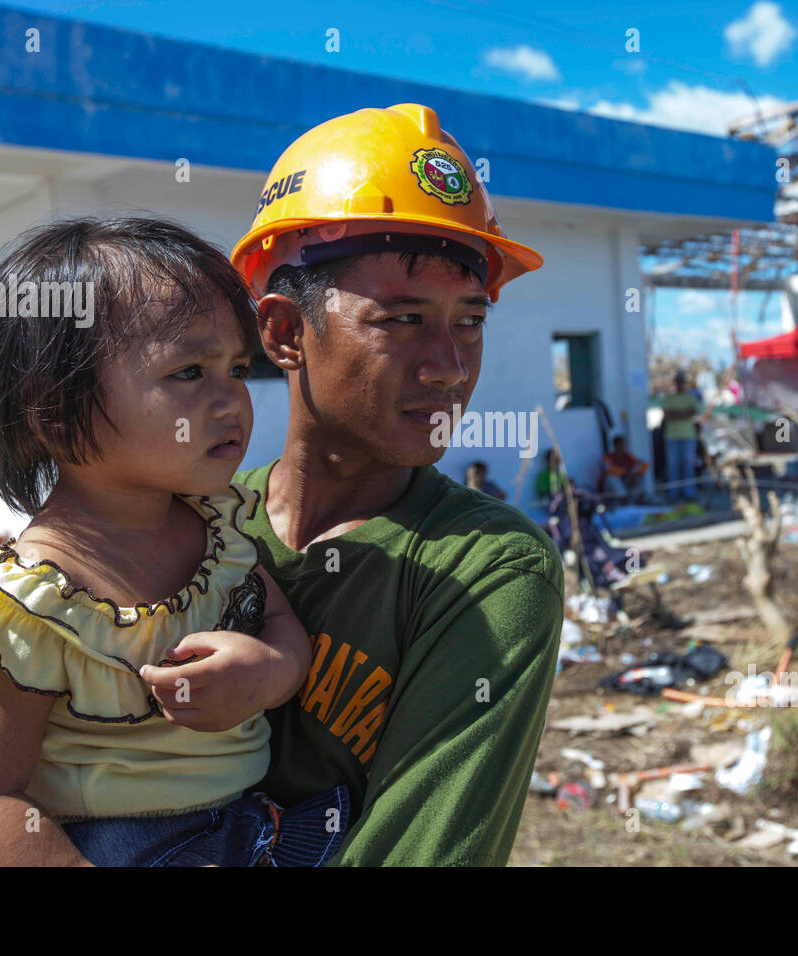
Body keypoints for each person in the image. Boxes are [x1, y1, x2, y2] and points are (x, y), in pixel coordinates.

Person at [0, 218, 346, 867]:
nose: (231, 399)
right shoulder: (23, 607)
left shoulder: (220, 532)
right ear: (55, 409)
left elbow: (281, 626)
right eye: (190, 371)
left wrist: (266, 674)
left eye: (237, 366)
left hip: (257, 832)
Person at [224, 102, 563, 865]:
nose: (448, 364)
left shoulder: (487, 570)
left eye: (469, 320)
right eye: (402, 319)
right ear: (284, 333)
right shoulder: (191, 521)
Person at [661, 371, 702, 501]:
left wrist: (677, 414)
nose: (680, 384)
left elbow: (693, 413)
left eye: (682, 382)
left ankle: (689, 493)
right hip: (672, 437)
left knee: (688, 466)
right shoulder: (668, 398)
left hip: (688, 436)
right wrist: (683, 414)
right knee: (673, 466)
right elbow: (667, 416)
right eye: (678, 382)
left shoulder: (691, 398)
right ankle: (673, 494)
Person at [599, 434, 649, 503]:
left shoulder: (628, 456)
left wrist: (636, 474)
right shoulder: (608, 457)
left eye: (624, 445)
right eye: (620, 445)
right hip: (611, 489)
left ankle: (639, 498)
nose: (623, 447)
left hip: (626, 482)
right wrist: (626, 472)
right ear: (615, 446)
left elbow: (645, 465)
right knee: (611, 477)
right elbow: (609, 470)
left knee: (639, 473)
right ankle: (623, 499)